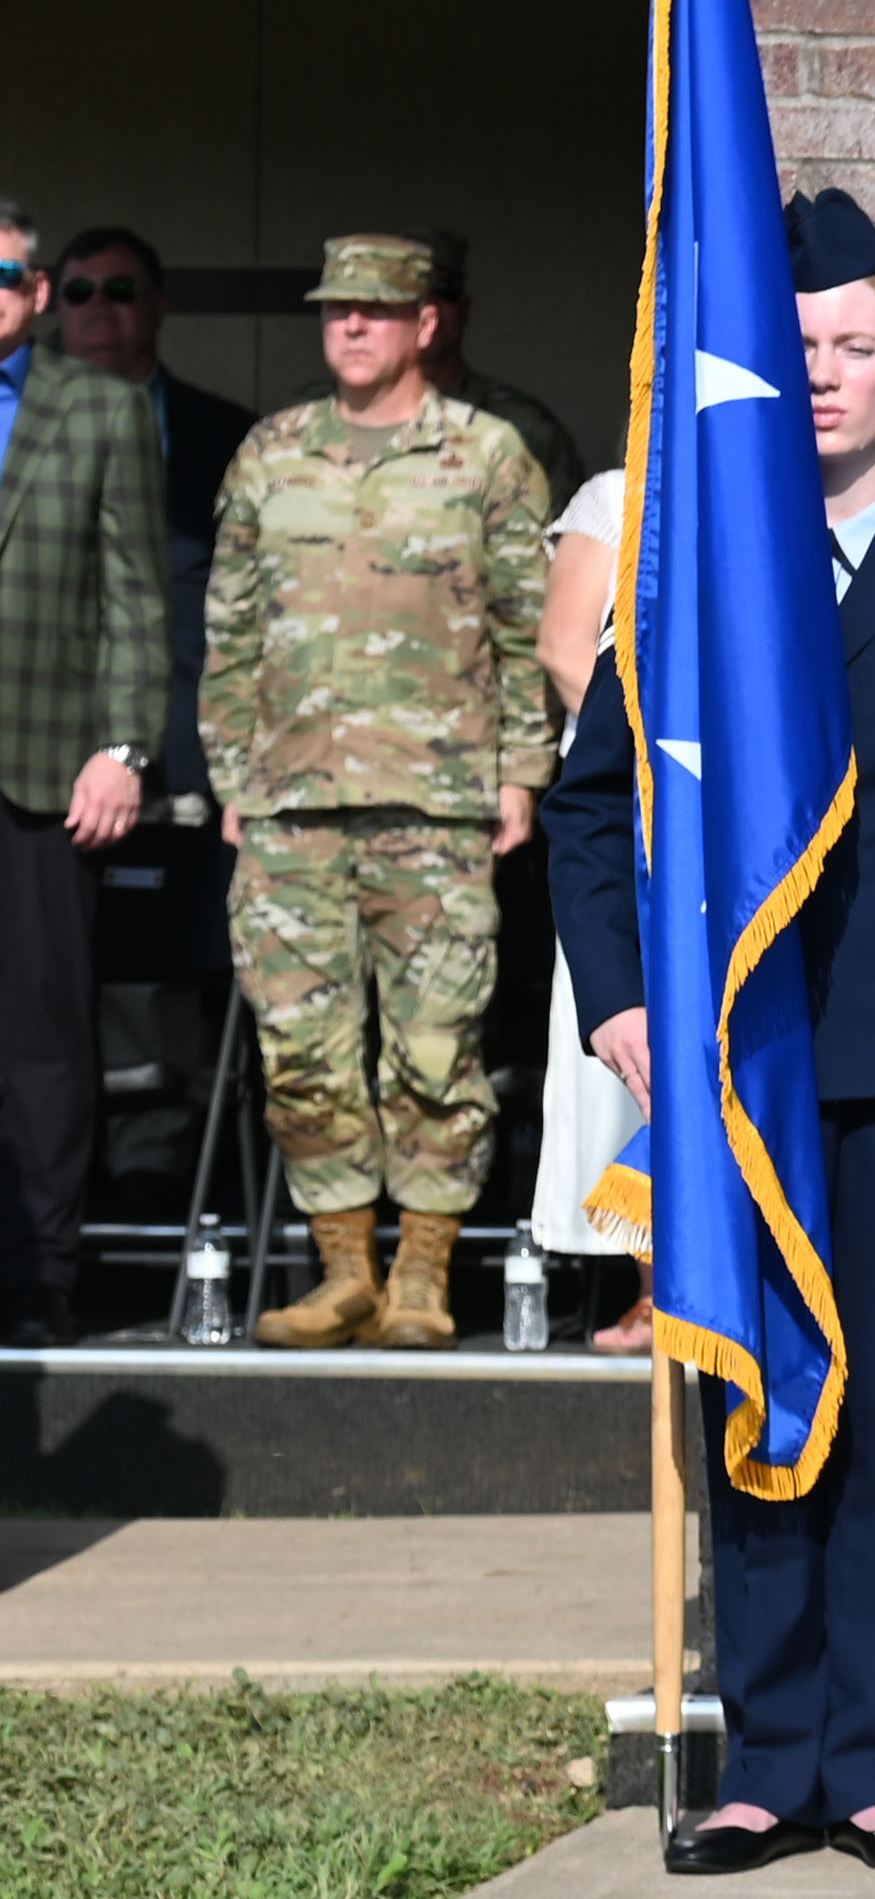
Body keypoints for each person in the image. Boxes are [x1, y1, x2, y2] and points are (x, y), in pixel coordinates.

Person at [557, 190, 875, 1863]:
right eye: (800, 349)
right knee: (752, 1384)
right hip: (739, 1057)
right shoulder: (692, 574)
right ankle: (765, 1760)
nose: (828, 373)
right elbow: (593, 805)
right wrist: (620, 997)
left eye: (857, 345)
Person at [200, 237, 551, 1354]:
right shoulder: (272, 452)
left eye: (375, 309)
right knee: (300, 1048)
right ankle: (344, 1271)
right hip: (290, 805)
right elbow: (230, 630)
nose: (350, 326)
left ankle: (422, 1276)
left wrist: (522, 773)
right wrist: (232, 775)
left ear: (426, 324)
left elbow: (525, 628)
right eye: (335, 309)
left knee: (436, 1048)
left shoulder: (487, 455)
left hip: (436, 805)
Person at [0, 205, 184, 1340]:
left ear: (33, 292)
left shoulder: (101, 408)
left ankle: (36, 1285)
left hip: (38, 768)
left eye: (4, 274)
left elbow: (135, 600)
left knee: (38, 1037)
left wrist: (123, 751)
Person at [52, 226, 254, 801]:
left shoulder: (231, 436)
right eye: (79, 292)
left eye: (119, 289)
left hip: (188, 757)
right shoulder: (12, 428)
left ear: (158, 305)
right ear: (52, 304)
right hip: (39, 755)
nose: (98, 305)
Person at [526, 460, 652, 1353]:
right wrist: (656, 759)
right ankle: (656, 1288)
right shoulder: (618, 495)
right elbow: (565, 645)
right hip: (628, 812)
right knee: (629, 1063)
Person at [412, 230, 585, 510]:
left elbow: (564, 532)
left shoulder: (526, 429)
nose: (429, 309)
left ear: (465, 309)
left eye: (444, 290)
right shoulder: (339, 421)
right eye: (411, 295)